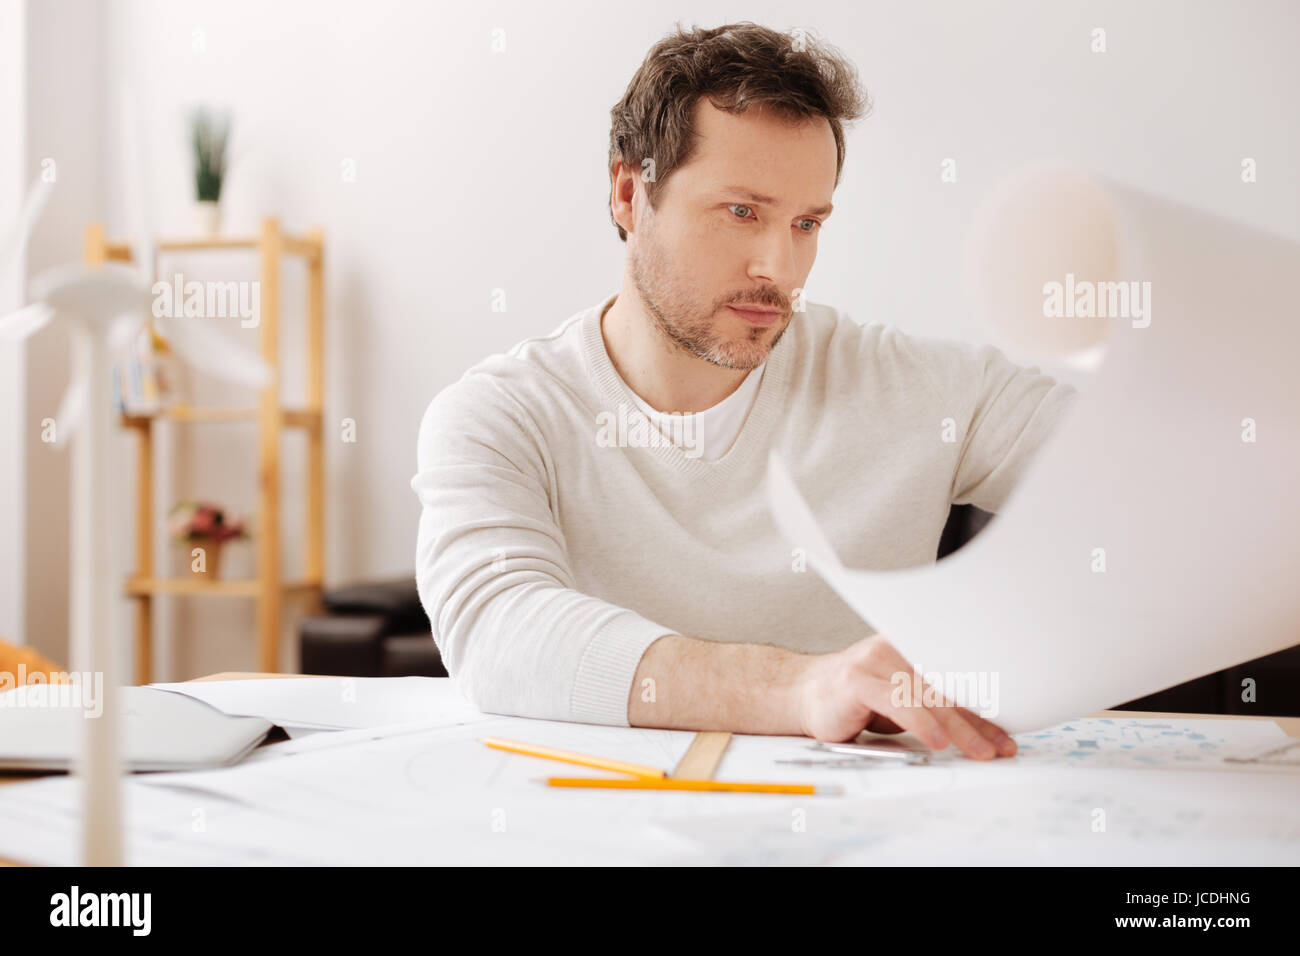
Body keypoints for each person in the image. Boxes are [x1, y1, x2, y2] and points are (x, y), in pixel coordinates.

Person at [411, 23, 1076, 759]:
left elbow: (1155, 480)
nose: (779, 267)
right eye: (742, 212)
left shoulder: (926, 391)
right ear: (630, 194)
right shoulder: (502, 416)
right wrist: (798, 689)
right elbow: (496, 630)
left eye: (806, 223)